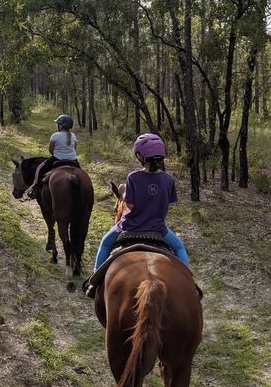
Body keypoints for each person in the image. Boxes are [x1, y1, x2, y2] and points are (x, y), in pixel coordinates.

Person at [92, 133, 189, 271]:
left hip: (129, 227)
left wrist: (123, 192)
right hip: (157, 229)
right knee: (179, 247)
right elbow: (167, 202)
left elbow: (130, 205)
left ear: (140, 156)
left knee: (105, 243)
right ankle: (188, 279)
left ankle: (94, 281)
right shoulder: (168, 179)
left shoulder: (133, 177)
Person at [28, 114, 79, 199]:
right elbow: (75, 148)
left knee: (39, 168)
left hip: (57, 158)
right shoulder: (73, 136)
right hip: (73, 159)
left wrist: (58, 154)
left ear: (62, 126)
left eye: (58, 124)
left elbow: (51, 150)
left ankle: (36, 188)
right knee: (80, 172)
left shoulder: (55, 135)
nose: (58, 125)